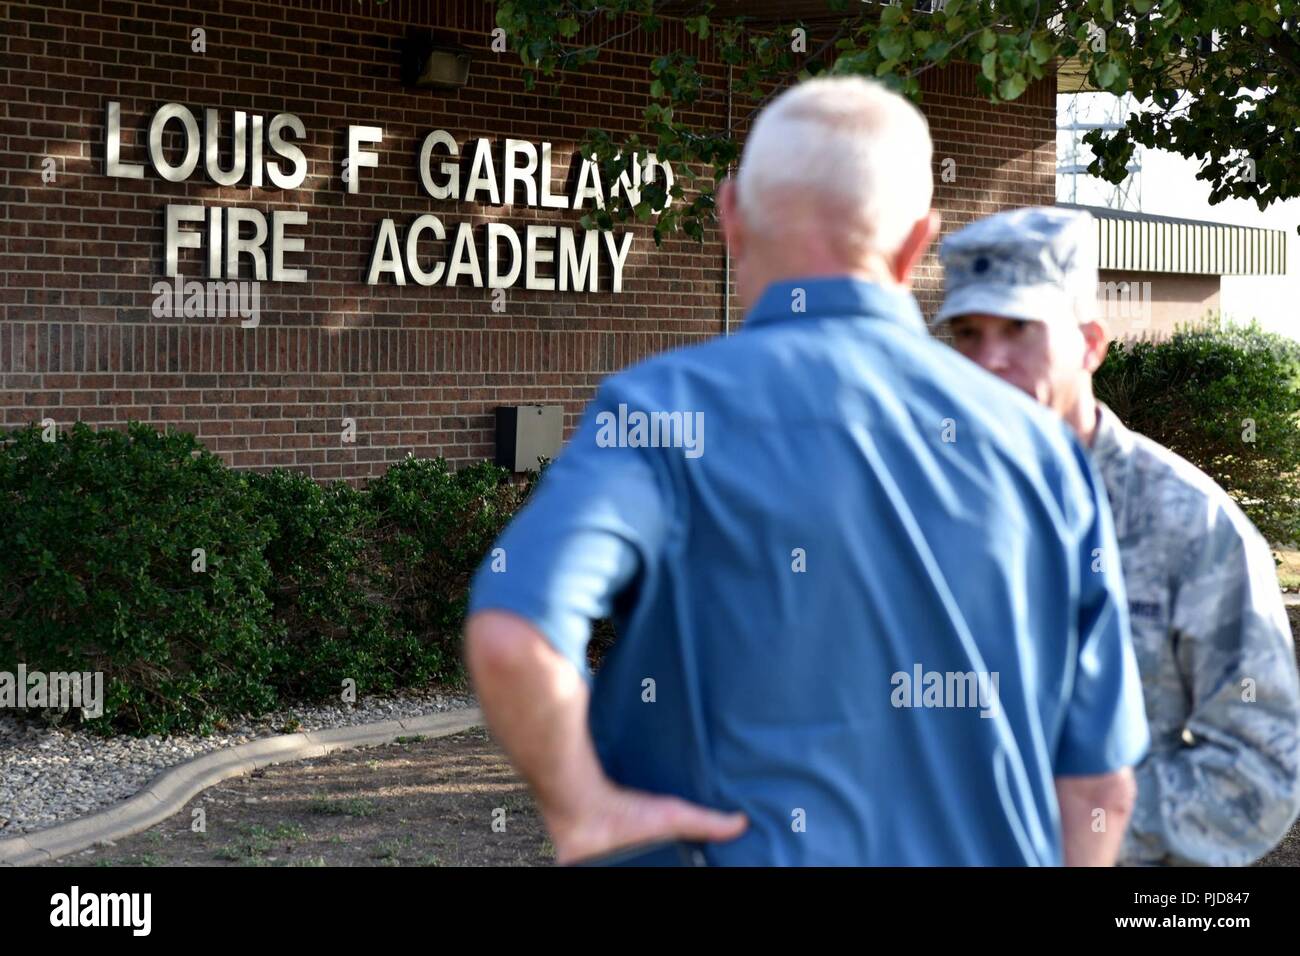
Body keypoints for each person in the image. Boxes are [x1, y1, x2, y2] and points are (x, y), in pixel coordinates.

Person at [462, 78, 1148, 866]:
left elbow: (516, 635)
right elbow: (1100, 787)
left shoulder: (658, 412)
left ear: (729, 215)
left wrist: (585, 809)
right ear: (917, 242)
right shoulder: (1043, 449)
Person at [932, 205, 1300, 866]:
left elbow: (1262, 773)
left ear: (1091, 343)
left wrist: (1071, 824)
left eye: (1020, 328)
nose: (989, 361)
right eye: (966, 332)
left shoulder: (1193, 526)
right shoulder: (920, 508)